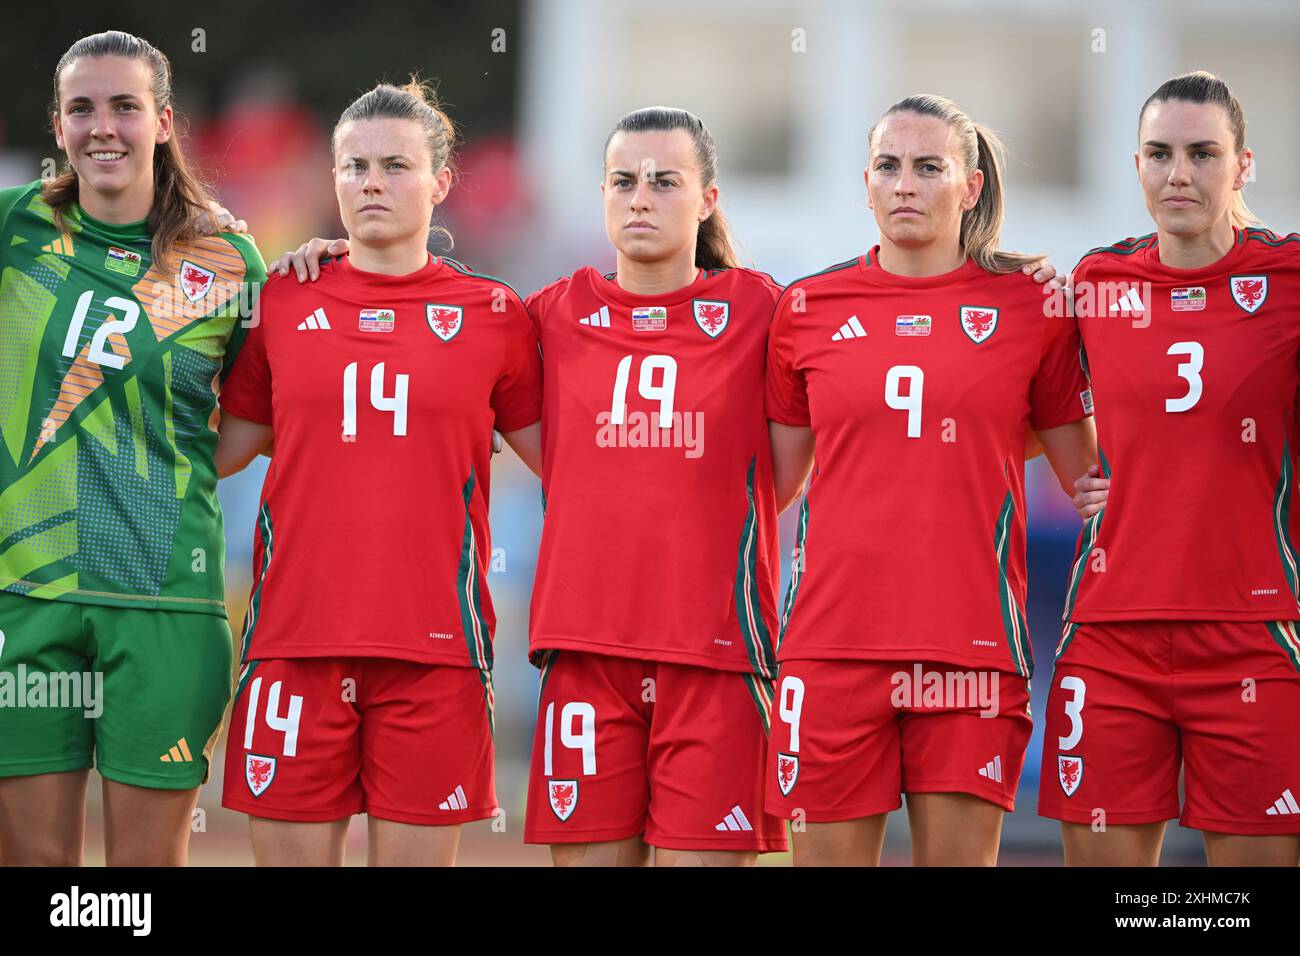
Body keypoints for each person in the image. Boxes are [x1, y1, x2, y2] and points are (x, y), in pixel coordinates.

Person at [214, 80, 542, 866]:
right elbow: (216, 451)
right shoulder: (283, 299)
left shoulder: (494, 315)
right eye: (353, 164)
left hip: (437, 651)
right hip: (295, 641)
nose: (371, 181)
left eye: (396, 165)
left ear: (442, 182)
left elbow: (570, 467)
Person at [764, 94, 1097, 866]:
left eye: (927, 167)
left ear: (970, 186)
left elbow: (1085, 471)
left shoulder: (1032, 307)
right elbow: (773, 486)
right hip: (832, 647)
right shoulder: (806, 308)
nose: (905, 183)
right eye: (888, 166)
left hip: (971, 650)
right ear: (867, 181)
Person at [0, 30, 265, 866]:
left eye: (124, 106)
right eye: (82, 108)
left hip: (165, 602)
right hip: (26, 595)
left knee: (143, 878)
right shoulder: (15, 229)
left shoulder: (229, 259)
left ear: (163, 123)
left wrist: (146, 465)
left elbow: (250, 427)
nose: (102, 127)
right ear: (57, 126)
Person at [1040, 71, 1300, 867]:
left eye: (1201, 154)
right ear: (1137, 162)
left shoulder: (1290, 279)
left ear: (1243, 165)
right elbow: (1006, 407)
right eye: (1159, 153)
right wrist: (1084, 472)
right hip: (1111, 634)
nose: (1178, 173)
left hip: (1252, 634)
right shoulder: (1093, 283)